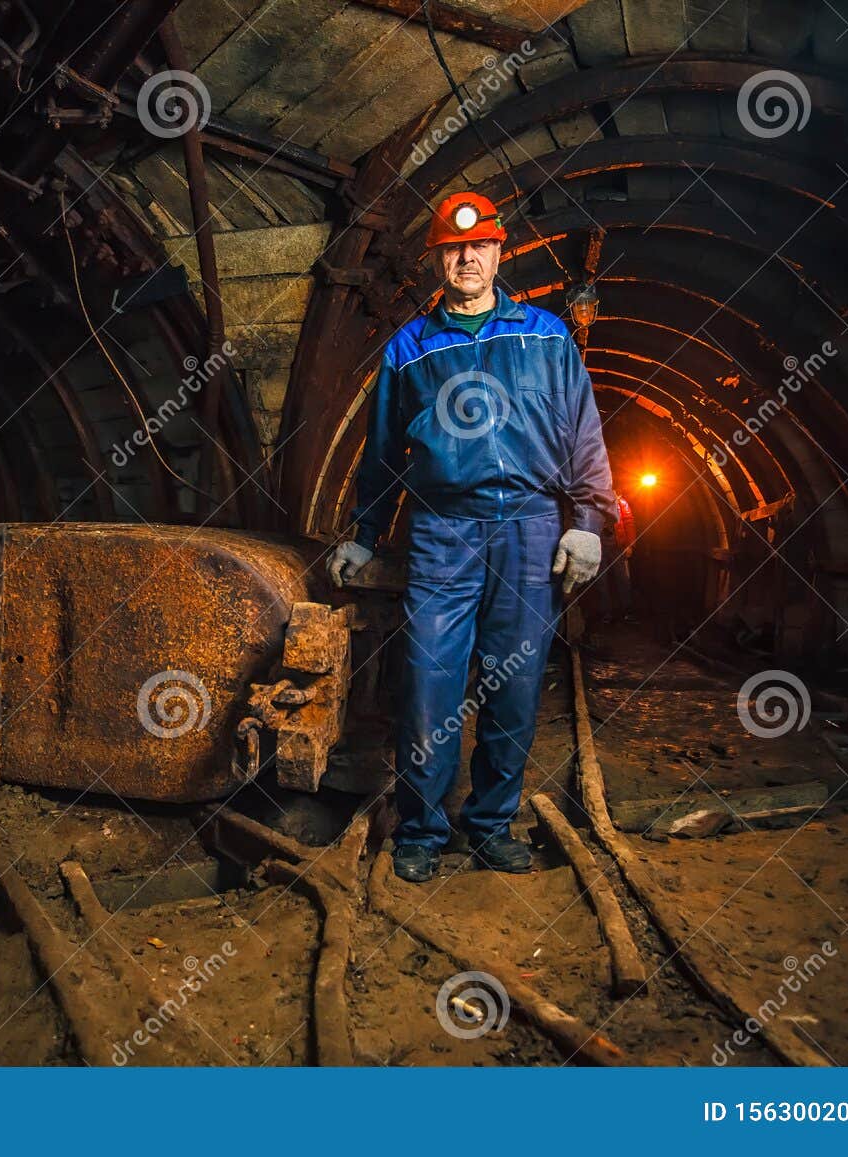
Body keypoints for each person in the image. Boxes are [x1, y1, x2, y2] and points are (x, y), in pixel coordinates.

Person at [325, 192, 617, 883]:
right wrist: (367, 533)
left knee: (512, 686)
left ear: (498, 252)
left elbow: (584, 435)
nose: (466, 258)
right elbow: (383, 453)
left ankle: (491, 824)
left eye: (479, 245)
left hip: (530, 525)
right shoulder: (410, 348)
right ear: (436, 258)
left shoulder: (546, 336)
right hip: (442, 530)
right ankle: (423, 830)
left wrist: (588, 524)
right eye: (453, 248)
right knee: (430, 681)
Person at [597, 489, 635, 623]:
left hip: (618, 546)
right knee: (601, 581)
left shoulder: (621, 503)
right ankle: (605, 613)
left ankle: (626, 611)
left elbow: (629, 522)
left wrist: (630, 545)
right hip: (600, 547)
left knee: (623, 579)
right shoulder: (595, 502)